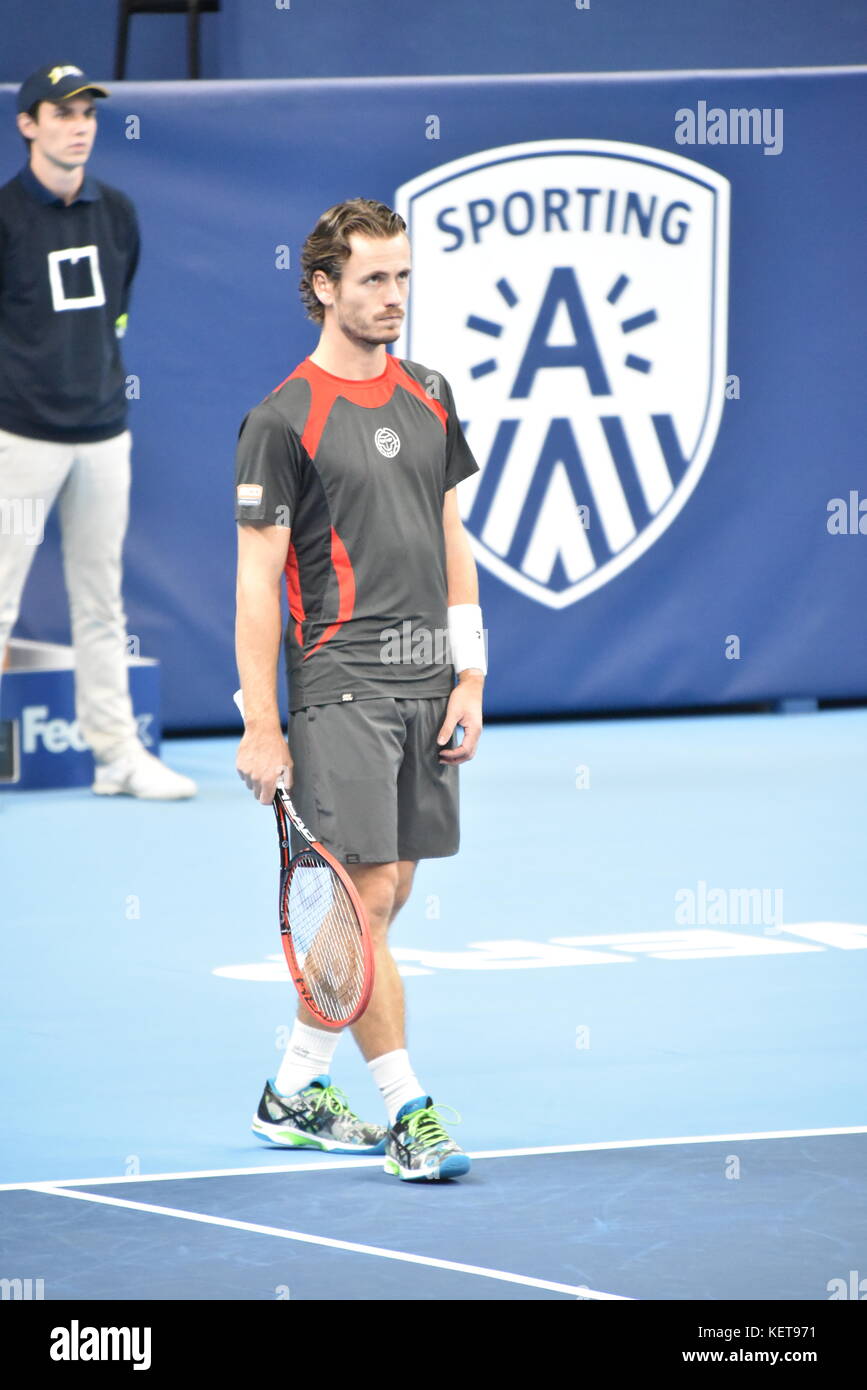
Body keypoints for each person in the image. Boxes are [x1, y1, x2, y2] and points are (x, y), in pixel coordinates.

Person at [234, 198, 486, 1181]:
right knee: (367, 886)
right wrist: (263, 720)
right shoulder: (281, 419)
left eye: (404, 277)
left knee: (383, 897)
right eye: (372, 279)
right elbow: (257, 582)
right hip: (341, 681)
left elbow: (452, 536)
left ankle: (295, 1086)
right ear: (324, 287)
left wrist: (471, 670)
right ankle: (408, 1113)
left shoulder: (430, 391)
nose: (393, 298)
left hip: (432, 682)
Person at [0, 64, 196, 799]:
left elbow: (115, 313)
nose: (79, 124)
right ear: (28, 125)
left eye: (88, 112)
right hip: (19, 444)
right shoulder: (4, 217)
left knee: (102, 598)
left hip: (104, 438)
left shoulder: (117, 213)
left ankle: (117, 757)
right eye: (62, 112)